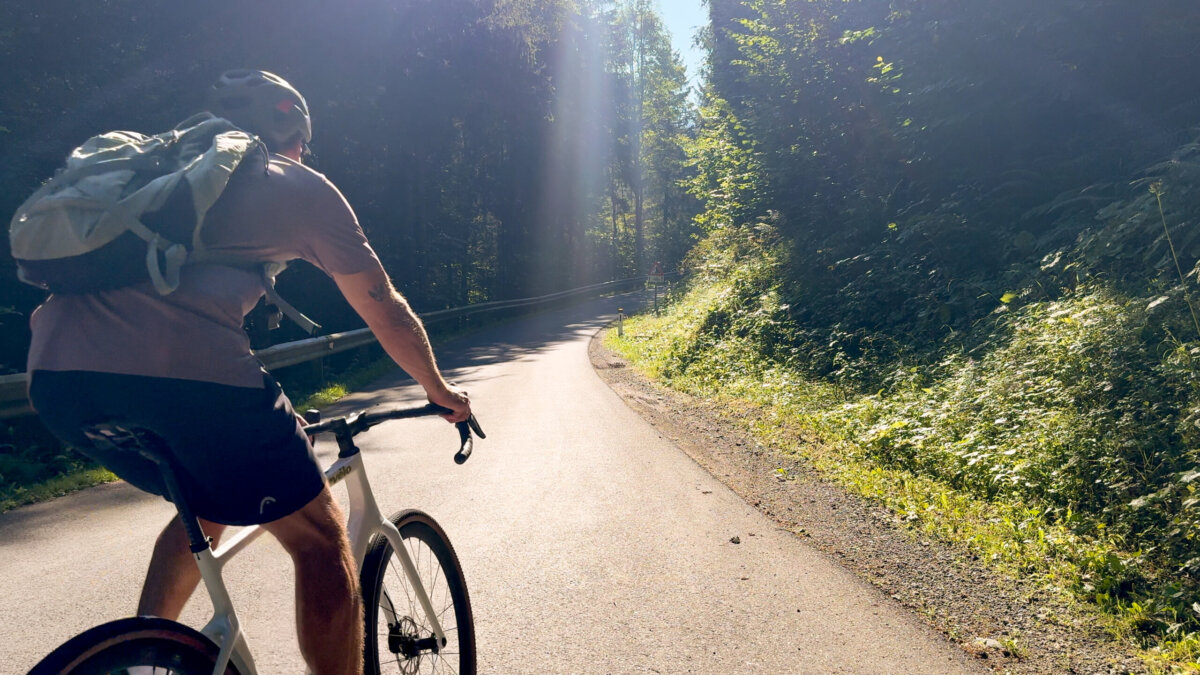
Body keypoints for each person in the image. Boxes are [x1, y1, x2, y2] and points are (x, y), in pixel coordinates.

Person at [24, 69, 470, 675]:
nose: (306, 153)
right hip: (189, 382)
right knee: (318, 539)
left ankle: (144, 665)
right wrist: (438, 390)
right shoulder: (293, 184)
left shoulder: (154, 184)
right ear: (290, 131)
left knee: (204, 508)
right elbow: (383, 308)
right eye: (304, 141)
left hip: (58, 385)